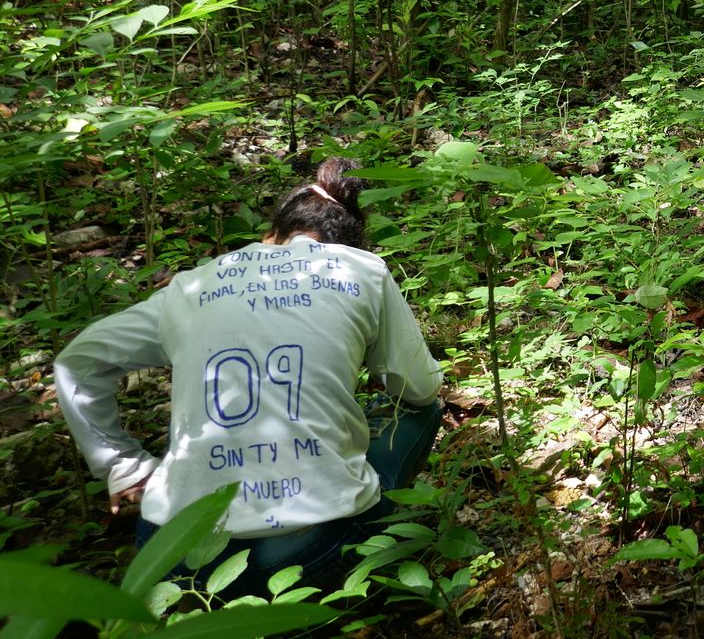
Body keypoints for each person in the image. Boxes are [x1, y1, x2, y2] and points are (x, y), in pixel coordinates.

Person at [54, 157, 443, 594]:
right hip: (308, 548)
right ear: (349, 242)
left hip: (171, 554)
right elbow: (421, 387)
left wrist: (123, 466)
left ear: (269, 235)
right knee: (420, 410)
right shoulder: (361, 269)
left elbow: (77, 361)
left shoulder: (192, 286)